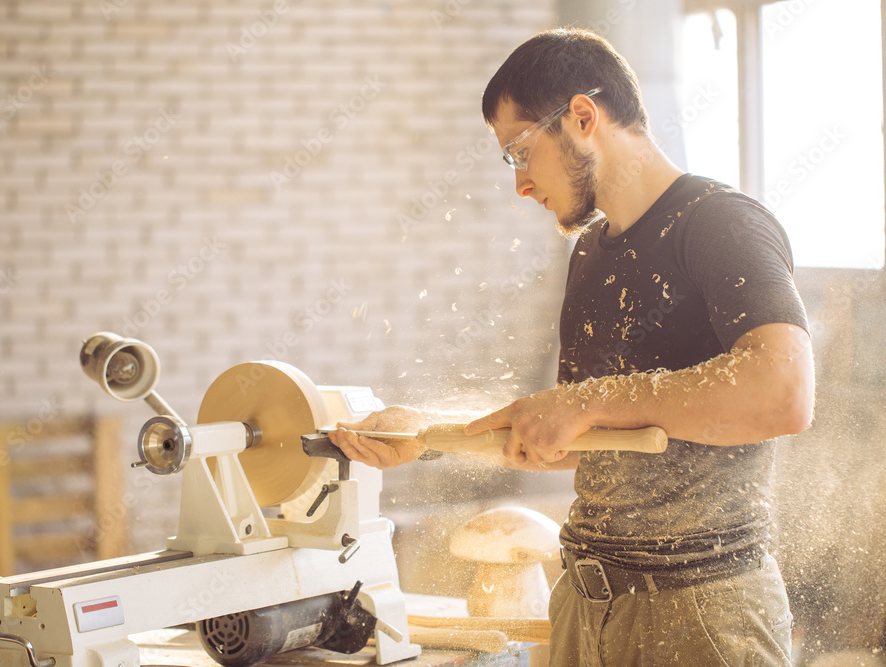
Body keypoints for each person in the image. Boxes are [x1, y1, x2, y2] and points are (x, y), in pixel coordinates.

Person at [328, 28, 814, 666]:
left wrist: (587, 400)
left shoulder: (719, 221)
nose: (521, 184)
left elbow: (783, 391)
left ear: (583, 117)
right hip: (582, 606)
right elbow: (576, 436)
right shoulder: (590, 252)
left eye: (520, 151)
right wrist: (427, 435)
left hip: (698, 610)